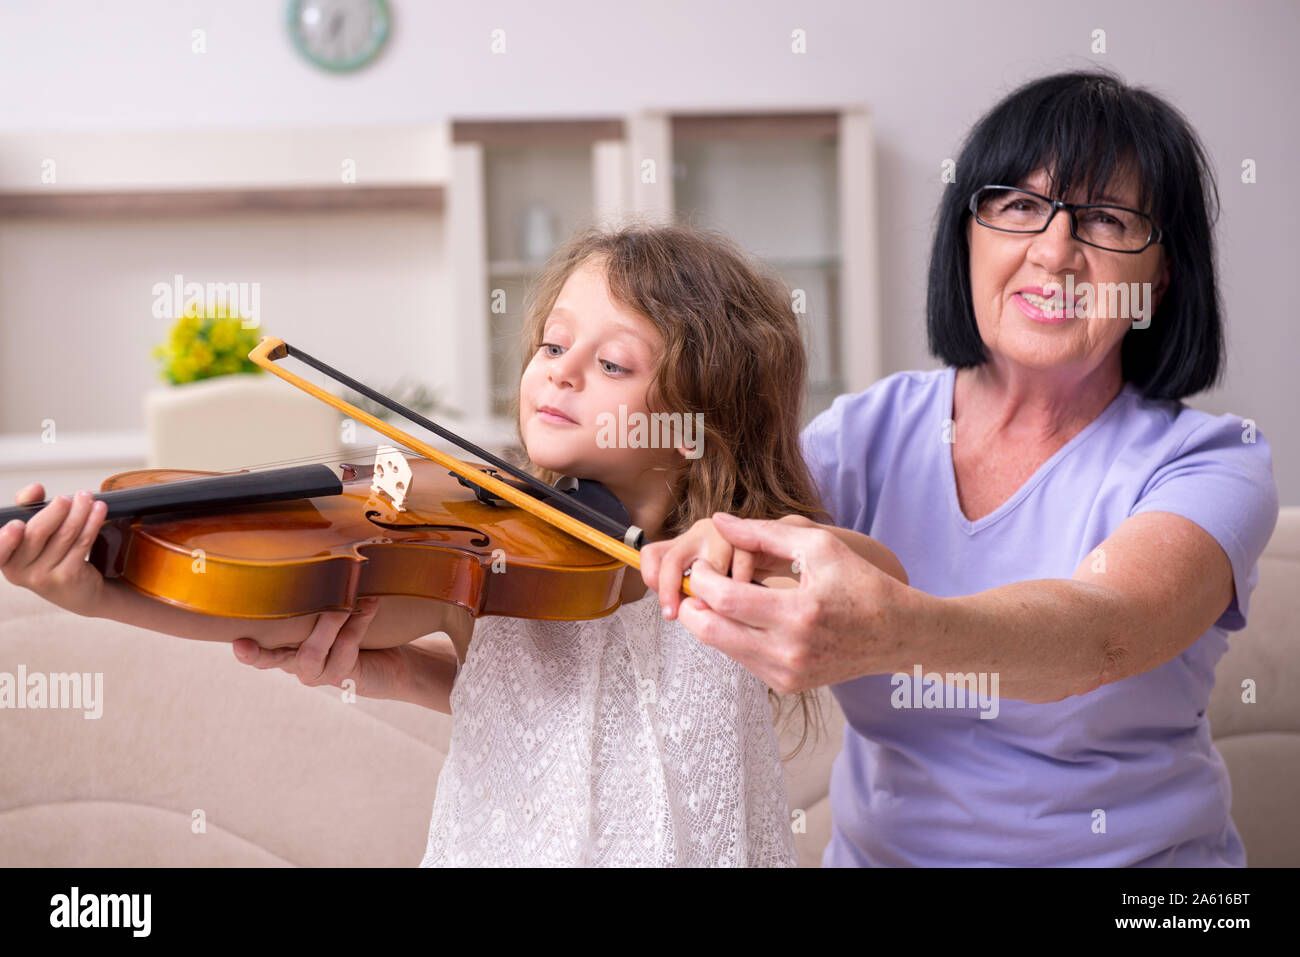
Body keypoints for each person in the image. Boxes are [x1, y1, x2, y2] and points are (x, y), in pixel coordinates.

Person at [0, 222, 909, 867]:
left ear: (701, 415)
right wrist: (94, 590)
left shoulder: (749, 573)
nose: (558, 369)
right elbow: (278, 601)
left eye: (612, 363)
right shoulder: (483, 559)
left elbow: (882, 582)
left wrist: (736, 536)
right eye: (553, 344)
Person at [640, 70, 1280, 867]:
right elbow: (698, 533)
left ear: (1163, 272)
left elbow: (1104, 634)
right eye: (1018, 205)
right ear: (967, 232)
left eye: (1108, 220)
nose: (1054, 252)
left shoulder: (1213, 462)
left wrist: (896, 629)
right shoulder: (867, 434)